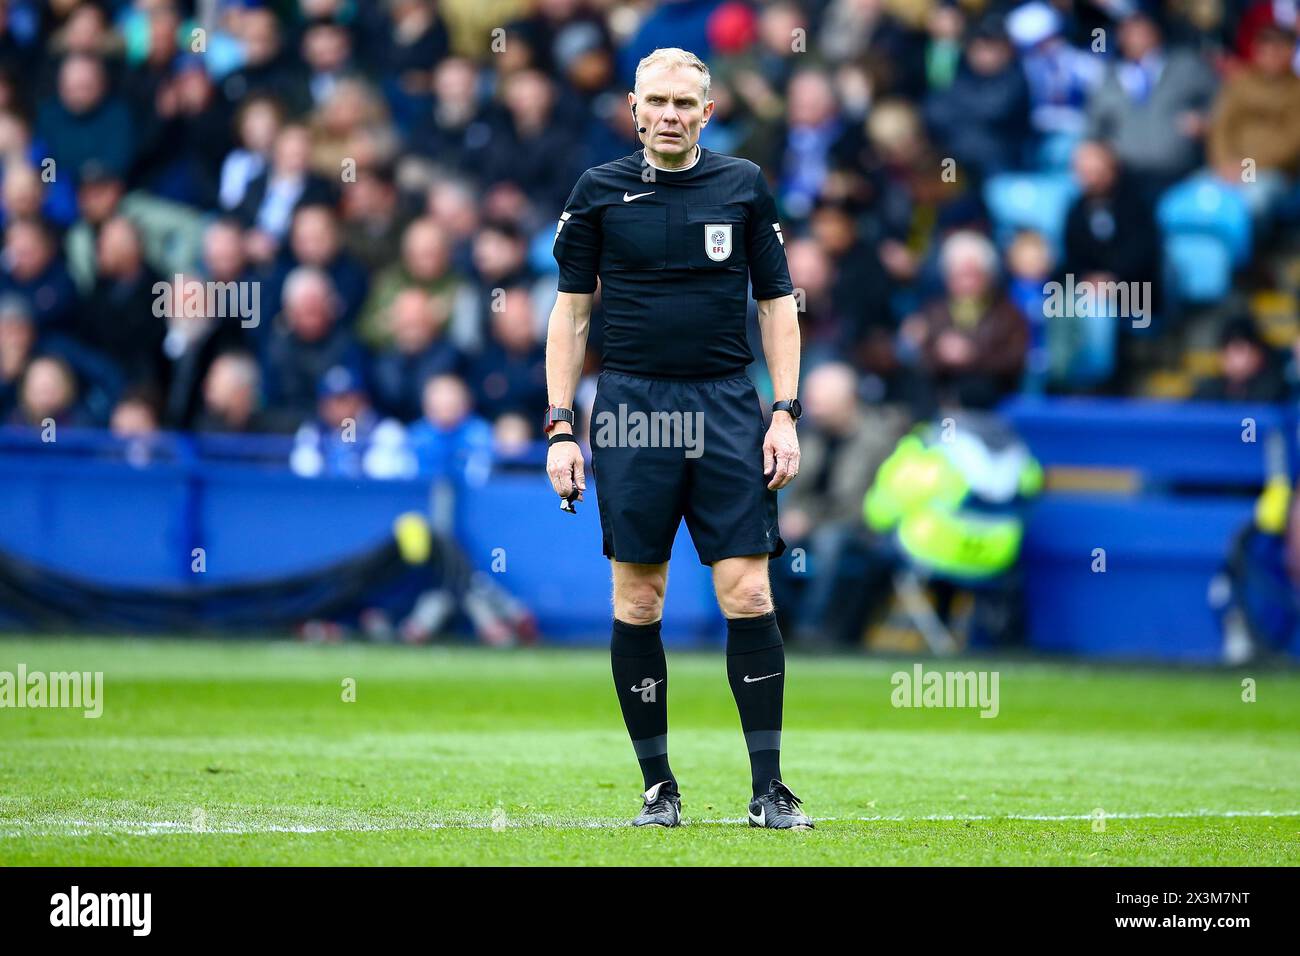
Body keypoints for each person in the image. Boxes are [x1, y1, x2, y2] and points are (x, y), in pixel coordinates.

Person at [546, 47, 811, 829]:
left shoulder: (744, 186)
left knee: (750, 591)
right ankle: (659, 786)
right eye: (656, 101)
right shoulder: (596, 193)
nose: (669, 114)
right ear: (632, 106)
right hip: (631, 407)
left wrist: (785, 409)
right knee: (639, 596)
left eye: (684, 103)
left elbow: (778, 303)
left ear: (708, 110)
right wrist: (562, 427)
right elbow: (570, 314)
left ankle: (769, 789)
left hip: (727, 405)